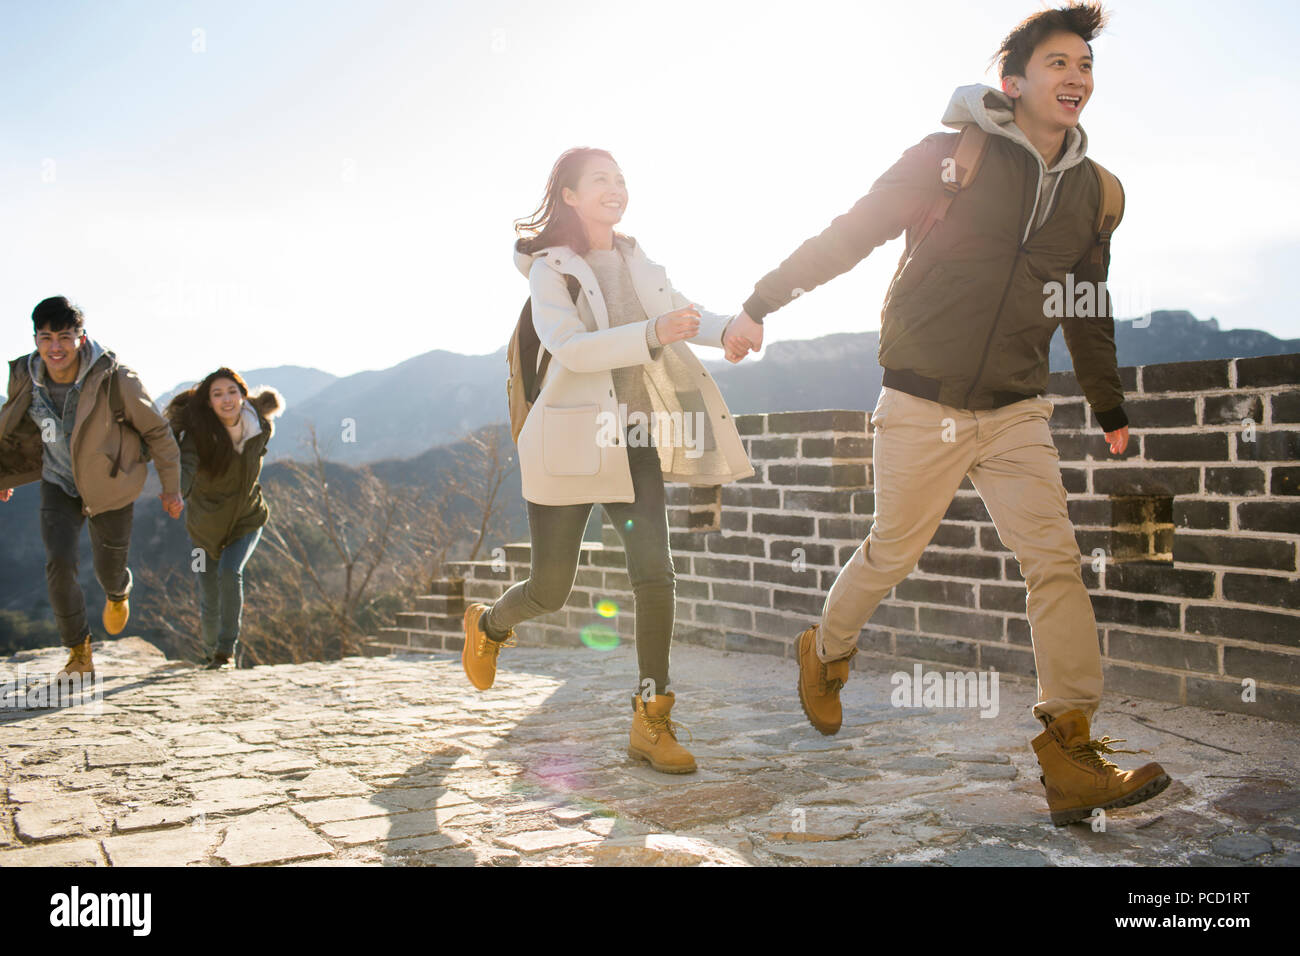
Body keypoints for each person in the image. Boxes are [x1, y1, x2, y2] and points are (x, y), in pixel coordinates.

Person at [721, 1, 1171, 825]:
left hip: (1015, 409)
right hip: (920, 398)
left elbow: (1086, 302)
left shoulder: (1096, 195)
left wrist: (1108, 403)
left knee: (1054, 560)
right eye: (1059, 64)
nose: (1076, 77)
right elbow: (852, 232)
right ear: (1014, 81)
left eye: (1086, 66)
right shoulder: (948, 155)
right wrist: (760, 302)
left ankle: (1071, 745)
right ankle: (824, 651)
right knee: (892, 550)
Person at [460, 146, 754, 774]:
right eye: (601, 180)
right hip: (569, 442)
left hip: (634, 439)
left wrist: (731, 327)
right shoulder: (551, 269)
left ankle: (651, 717)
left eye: (621, 178)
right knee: (550, 589)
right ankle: (488, 625)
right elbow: (570, 348)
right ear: (568, 195)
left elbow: (677, 310)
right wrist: (652, 334)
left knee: (655, 574)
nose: (616, 187)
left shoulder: (637, 258)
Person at [0, 297, 183, 680]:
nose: (55, 348)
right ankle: (78, 652)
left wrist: (171, 488)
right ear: (35, 338)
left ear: (81, 338)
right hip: (58, 483)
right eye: (46, 337)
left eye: (64, 337)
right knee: (59, 562)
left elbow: (157, 431)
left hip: (111, 486)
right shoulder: (24, 376)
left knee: (108, 569)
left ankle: (119, 593)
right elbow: (15, 426)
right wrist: (4, 476)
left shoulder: (116, 378)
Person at [165, 369, 283, 670]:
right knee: (208, 593)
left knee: (230, 573)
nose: (226, 399)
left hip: (247, 517)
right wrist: (177, 491)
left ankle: (225, 653)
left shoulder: (259, 426)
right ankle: (210, 653)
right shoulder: (197, 434)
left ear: (242, 394)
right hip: (205, 527)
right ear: (208, 402)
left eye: (231, 391)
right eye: (217, 394)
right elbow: (187, 466)